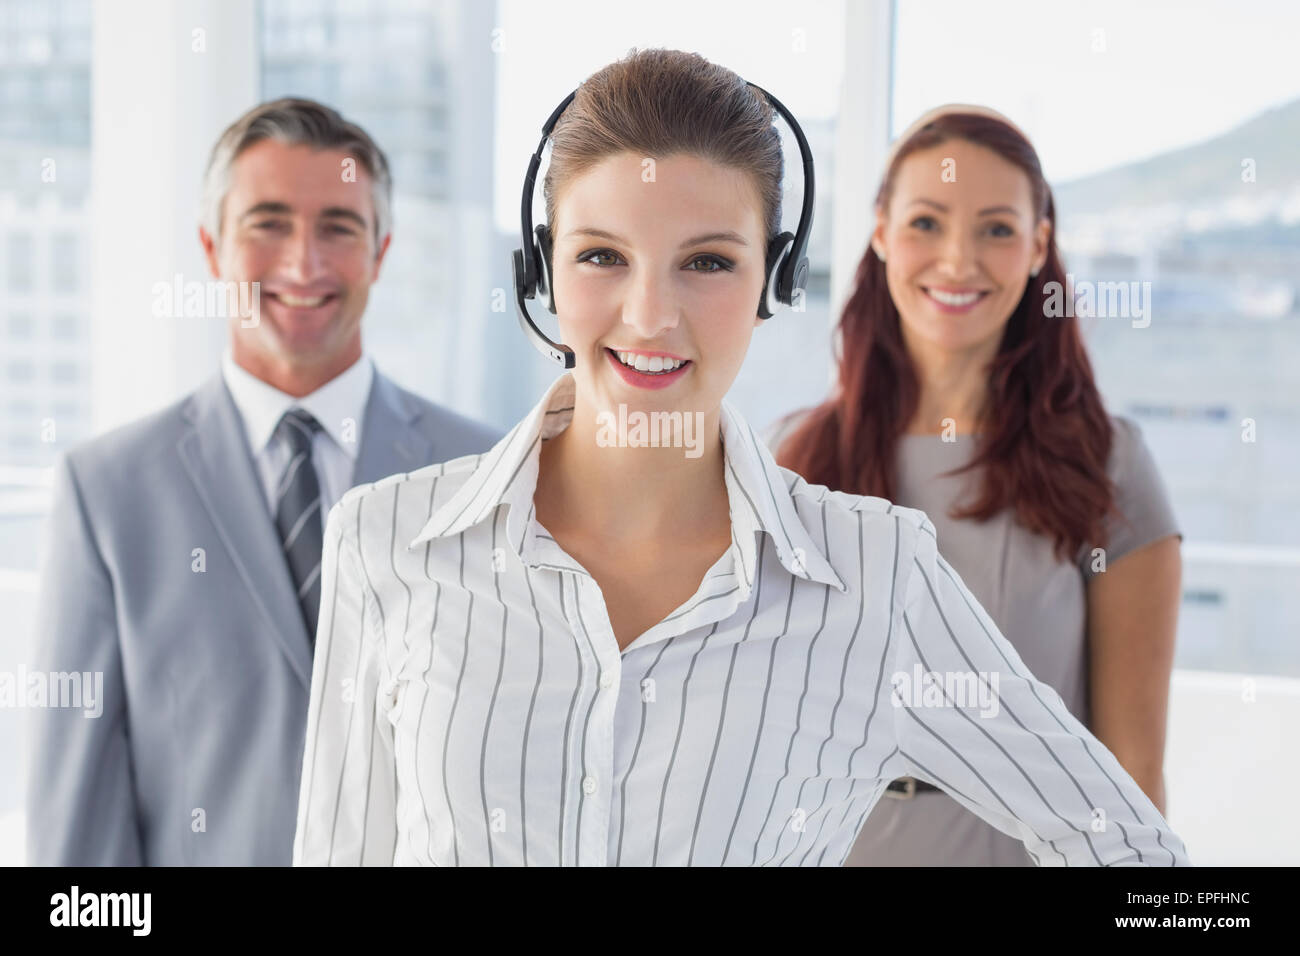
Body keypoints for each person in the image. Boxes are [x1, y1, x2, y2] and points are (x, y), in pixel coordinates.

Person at [292, 50, 1190, 866]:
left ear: (774, 278)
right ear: (543, 270)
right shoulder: (386, 544)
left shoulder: (876, 576)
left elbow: (1135, 852)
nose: (650, 315)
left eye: (708, 262)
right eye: (602, 254)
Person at [26, 97, 502, 865]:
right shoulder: (107, 492)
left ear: (381, 252)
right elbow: (76, 826)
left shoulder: (482, 477)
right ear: (212, 247)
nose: (303, 263)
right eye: (268, 223)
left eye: (339, 227)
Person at [771, 105, 1183, 866]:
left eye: (996, 228)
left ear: (1038, 247)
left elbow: (1134, 780)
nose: (958, 261)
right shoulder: (794, 459)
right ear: (883, 232)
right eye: (927, 222)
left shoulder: (1107, 464)